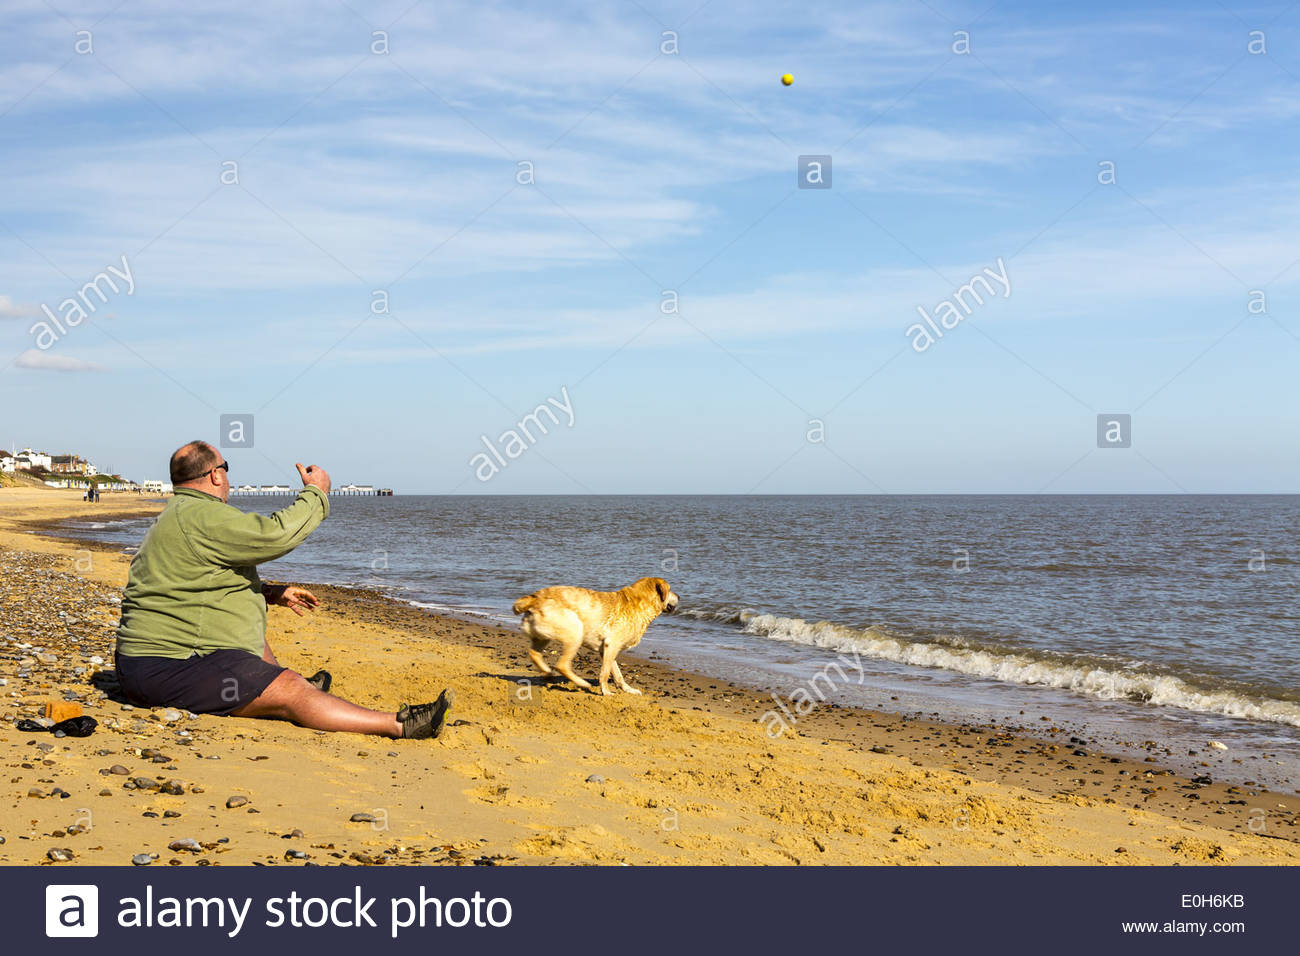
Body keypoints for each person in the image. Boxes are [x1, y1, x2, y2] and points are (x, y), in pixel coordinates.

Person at [114, 440, 453, 738]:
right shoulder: (202, 516)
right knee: (292, 691)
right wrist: (316, 493)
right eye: (226, 468)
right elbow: (276, 535)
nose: (228, 477)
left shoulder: (177, 515)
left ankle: (277, 683)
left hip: (148, 666)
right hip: (165, 669)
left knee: (252, 633)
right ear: (216, 475)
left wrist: (271, 592)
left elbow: (196, 581)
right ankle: (399, 724)